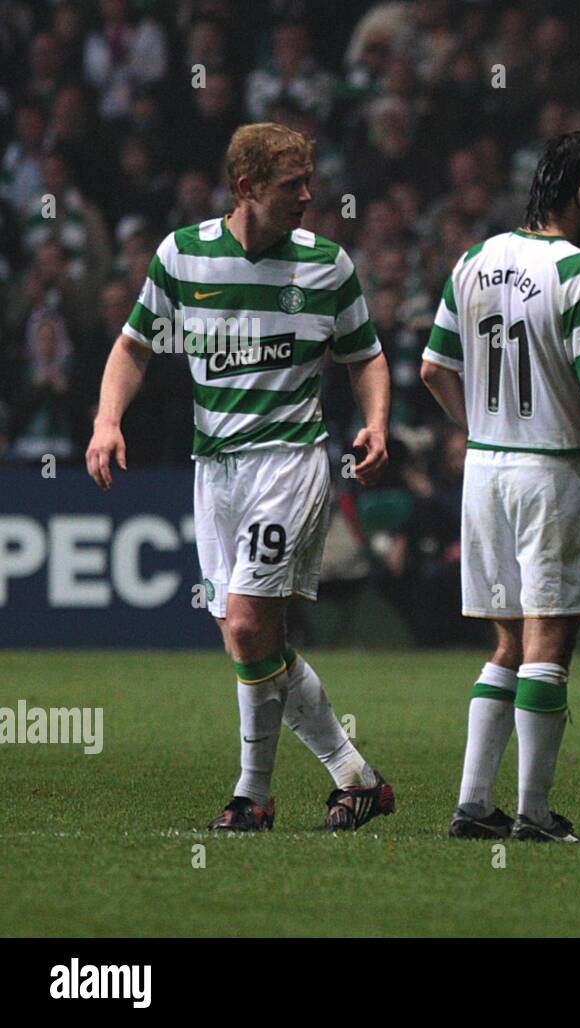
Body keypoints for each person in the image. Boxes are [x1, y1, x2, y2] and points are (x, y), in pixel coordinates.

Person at [85, 122, 396, 832]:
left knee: (252, 623)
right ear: (246, 187)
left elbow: (366, 355)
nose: (308, 197)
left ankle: (253, 795)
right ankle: (356, 777)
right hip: (215, 470)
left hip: (289, 461)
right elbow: (133, 346)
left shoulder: (326, 265)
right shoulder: (184, 256)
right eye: (292, 186)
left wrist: (375, 421)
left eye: (309, 183)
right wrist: (108, 420)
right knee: (246, 638)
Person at [421, 131, 580, 843]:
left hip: (486, 472)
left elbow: (434, 370)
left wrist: (484, 428)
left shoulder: (474, 259)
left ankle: (473, 803)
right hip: (554, 473)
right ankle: (535, 813)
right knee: (550, 642)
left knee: (509, 644)